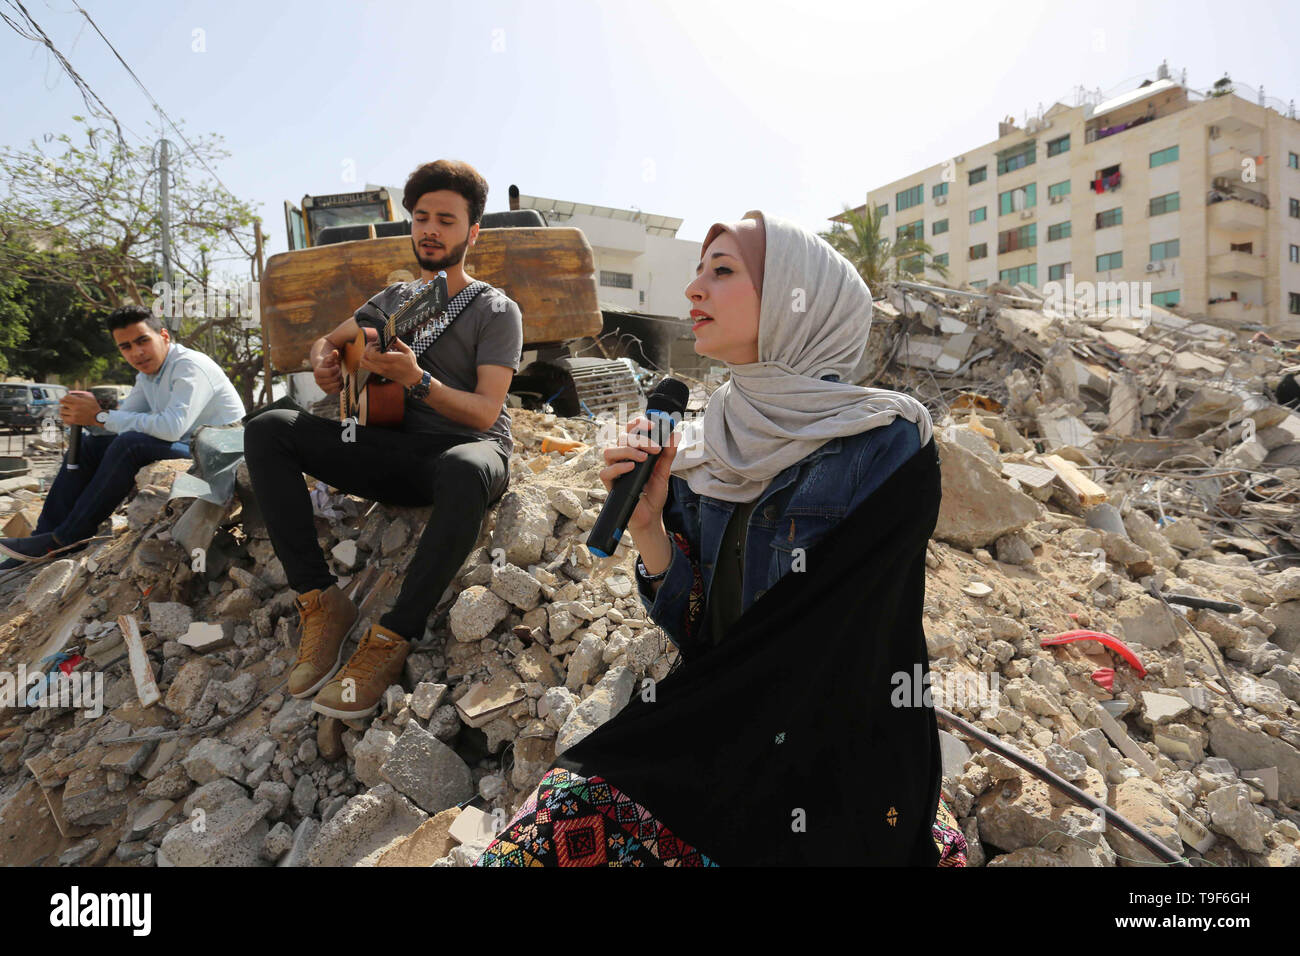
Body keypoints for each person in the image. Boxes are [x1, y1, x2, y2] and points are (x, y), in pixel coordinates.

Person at [478, 211, 966, 866]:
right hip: (722, 719)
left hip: (835, 751)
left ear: (801, 302)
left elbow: (843, 649)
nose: (694, 291)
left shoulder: (889, 448)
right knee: (544, 833)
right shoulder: (703, 445)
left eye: (724, 271)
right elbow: (701, 636)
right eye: (697, 271)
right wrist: (648, 526)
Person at [243, 159, 523, 720]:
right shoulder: (392, 300)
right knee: (269, 428)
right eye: (421, 217)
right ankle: (322, 603)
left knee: (466, 468)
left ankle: (393, 637)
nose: (430, 229)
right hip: (395, 453)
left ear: (472, 233)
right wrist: (325, 360)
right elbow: (330, 340)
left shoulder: (496, 310)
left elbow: (485, 410)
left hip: (468, 453)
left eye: (446, 219)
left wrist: (417, 381)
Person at [0, 304, 245, 569]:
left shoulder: (189, 366)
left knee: (132, 445)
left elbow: (172, 427)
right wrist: (82, 415)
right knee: (88, 445)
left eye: (143, 341)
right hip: (193, 445)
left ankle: (65, 538)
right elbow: (122, 422)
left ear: (164, 336)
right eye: (126, 347)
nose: (136, 352)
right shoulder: (147, 376)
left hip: (222, 455)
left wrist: (100, 417)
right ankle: (43, 539)